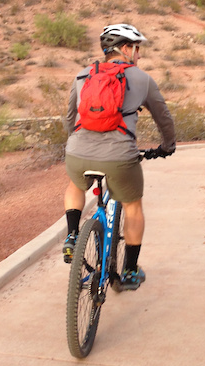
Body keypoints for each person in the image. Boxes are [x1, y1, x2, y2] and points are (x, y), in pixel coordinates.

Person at [63, 23, 176, 289]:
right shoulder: (141, 78)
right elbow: (164, 118)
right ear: (125, 49)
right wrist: (167, 145)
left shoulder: (82, 75)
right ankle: (129, 271)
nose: (138, 55)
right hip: (120, 157)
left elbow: (69, 117)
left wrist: (75, 143)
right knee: (133, 206)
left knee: (75, 185)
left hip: (77, 151)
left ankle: (71, 237)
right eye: (136, 49)